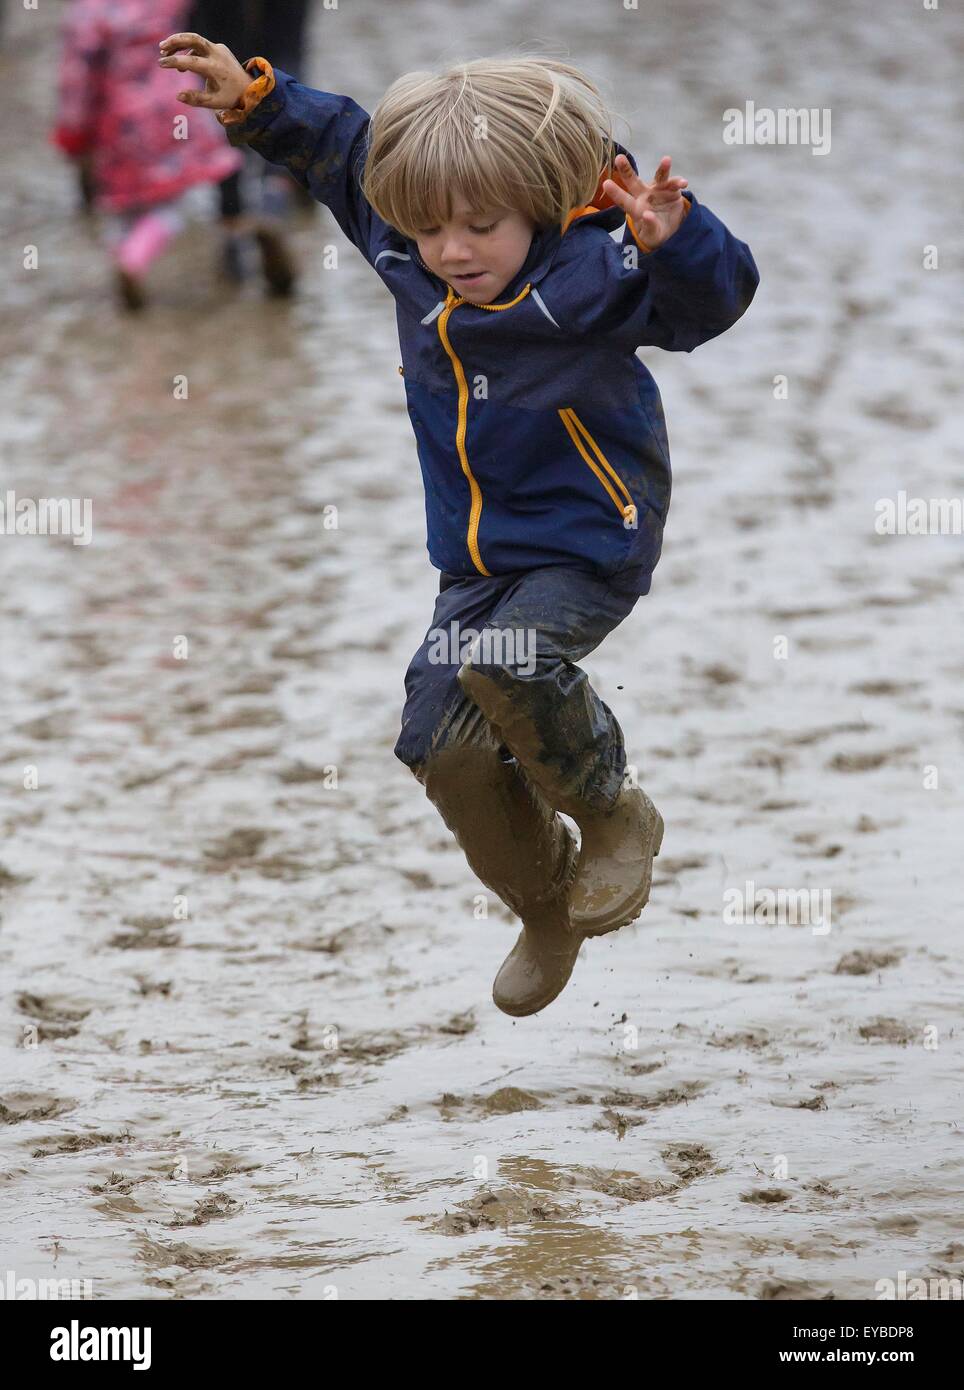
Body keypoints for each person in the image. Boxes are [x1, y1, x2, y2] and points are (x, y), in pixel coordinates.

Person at [158, 32, 760, 1015]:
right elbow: (343, 146)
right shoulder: (408, 247)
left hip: (587, 540)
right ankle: (544, 904)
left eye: (480, 225)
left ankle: (611, 813)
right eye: (431, 228)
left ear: (540, 208)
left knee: (509, 659)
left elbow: (713, 306)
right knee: (441, 745)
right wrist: (251, 99)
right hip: (474, 562)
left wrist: (677, 242)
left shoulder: (594, 274)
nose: (451, 250)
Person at [53, 0, 242, 310]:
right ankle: (133, 260)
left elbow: (76, 79)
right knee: (171, 207)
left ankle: (127, 258)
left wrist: (73, 131)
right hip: (175, 107)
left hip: (119, 122)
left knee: (121, 205)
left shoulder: (88, 14)